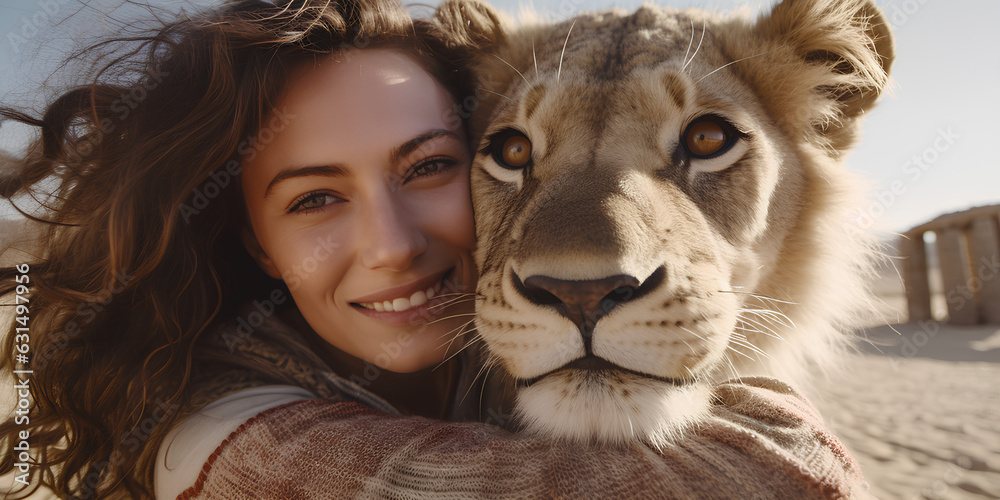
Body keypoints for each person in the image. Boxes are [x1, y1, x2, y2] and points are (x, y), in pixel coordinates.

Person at [0, 0, 873, 498]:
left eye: (427, 168)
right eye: (313, 199)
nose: (391, 247)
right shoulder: (216, 431)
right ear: (257, 248)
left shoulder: (486, 327)